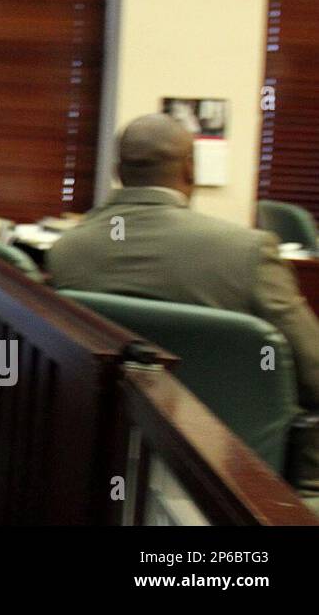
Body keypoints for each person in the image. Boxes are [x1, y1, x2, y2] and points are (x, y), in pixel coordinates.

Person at [48, 113, 319, 495]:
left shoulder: (68, 253)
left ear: (117, 171)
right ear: (190, 169)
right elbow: (315, 373)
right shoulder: (248, 252)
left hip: (109, 459)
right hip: (239, 474)